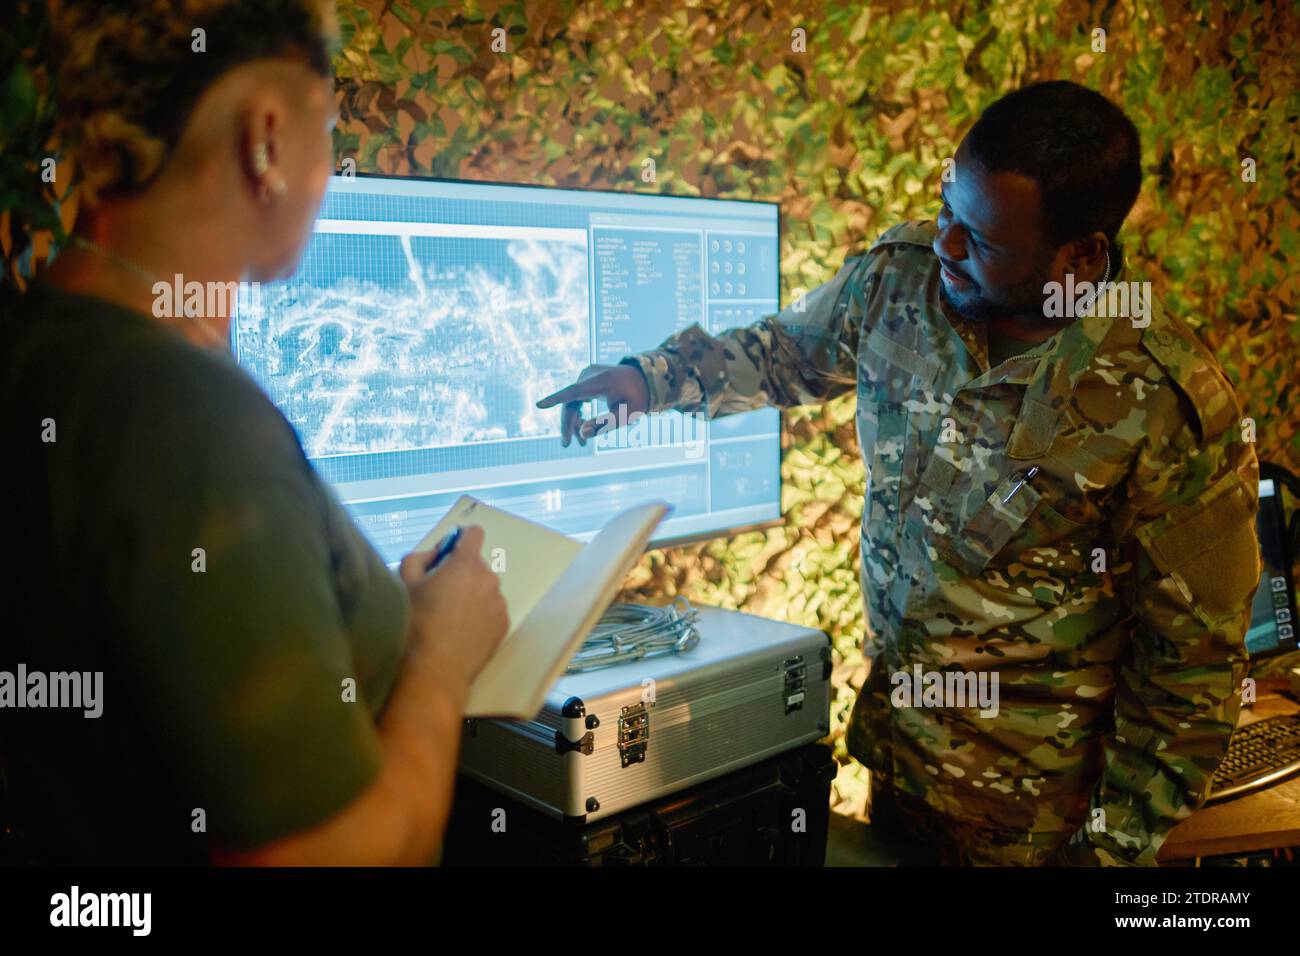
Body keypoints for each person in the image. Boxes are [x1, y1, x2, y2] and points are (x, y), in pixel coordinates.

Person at [538, 81, 1261, 866]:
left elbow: (1192, 662)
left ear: (1079, 255)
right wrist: (648, 381)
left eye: (981, 241)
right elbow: (786, 355)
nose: (947, 244)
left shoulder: (1161, 397)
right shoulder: (902, 281)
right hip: (901, 766)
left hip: (1043, 824)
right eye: (948, 208)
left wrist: (1111, 850)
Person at [0, 0, 507, 865]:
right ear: (266, 136)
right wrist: (439, 652)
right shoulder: (185, 420)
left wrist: (334, 594)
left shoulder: (40, 343)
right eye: (333, 132)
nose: (332, 168)